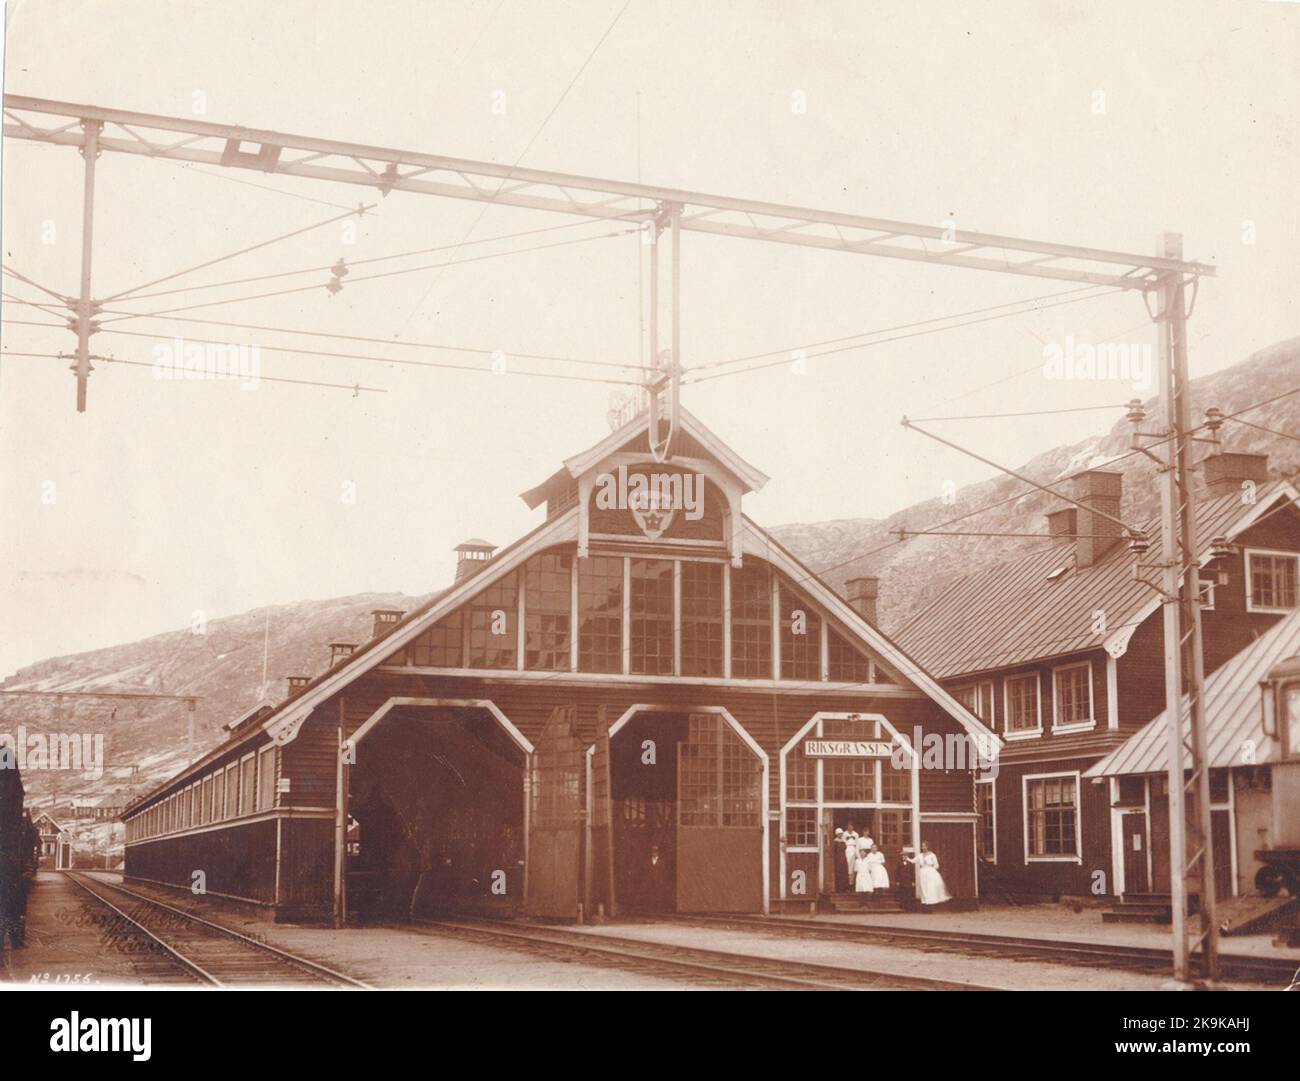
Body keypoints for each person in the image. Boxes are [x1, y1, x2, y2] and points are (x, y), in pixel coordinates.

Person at [911, 841, 951, 905]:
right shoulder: (920, 855)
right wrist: (906, 858)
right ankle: (925, 902)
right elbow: (913, 861)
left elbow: (937, 865)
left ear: (928, 847)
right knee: (923, 887)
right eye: (922, 846)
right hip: (923, 873)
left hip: (930, 873)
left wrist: (931, 869)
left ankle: (930, 902)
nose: (923, 847)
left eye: (925, 846)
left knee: (930, 887)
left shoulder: (932, 855)